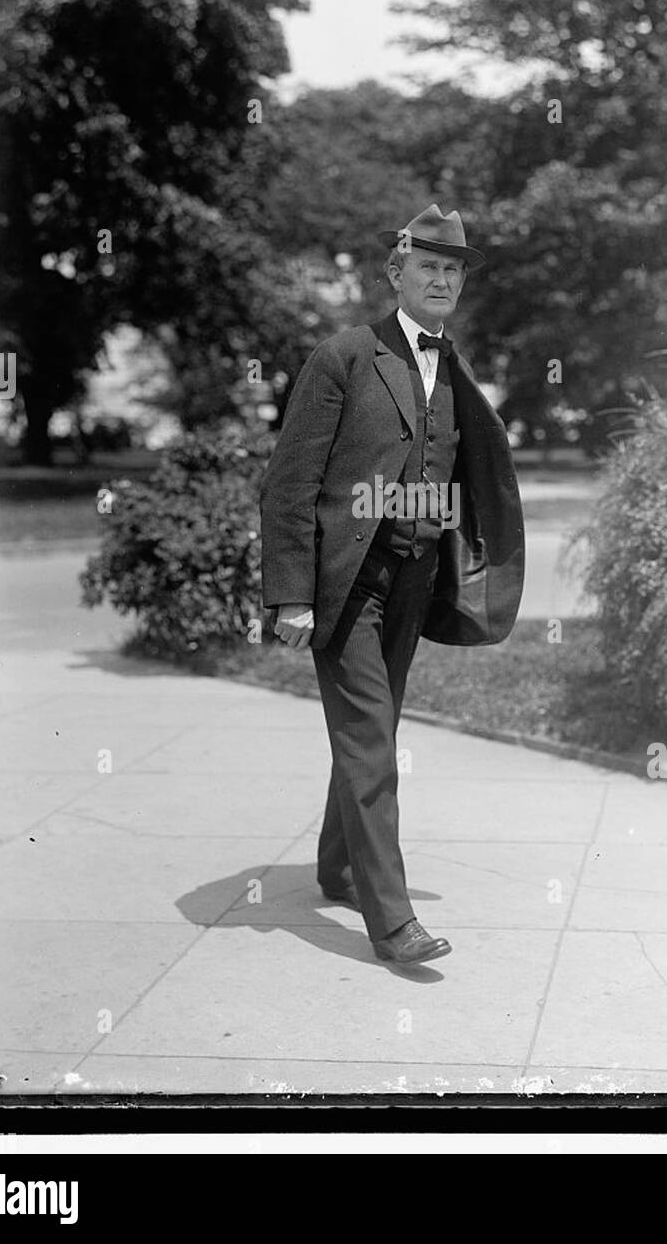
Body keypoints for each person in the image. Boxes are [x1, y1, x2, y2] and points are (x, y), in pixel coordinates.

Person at [259, 204, 524, 965]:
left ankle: (336, 867)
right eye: (429, 267)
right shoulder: (343, 356)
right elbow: (289, 484)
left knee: (372, 736)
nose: (442, 280)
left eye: (453, 270)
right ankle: (392, 922)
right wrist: (291, 596)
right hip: (346, 586)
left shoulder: (454, 366)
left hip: (413, 582)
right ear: (395, 275)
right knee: (371, 743)